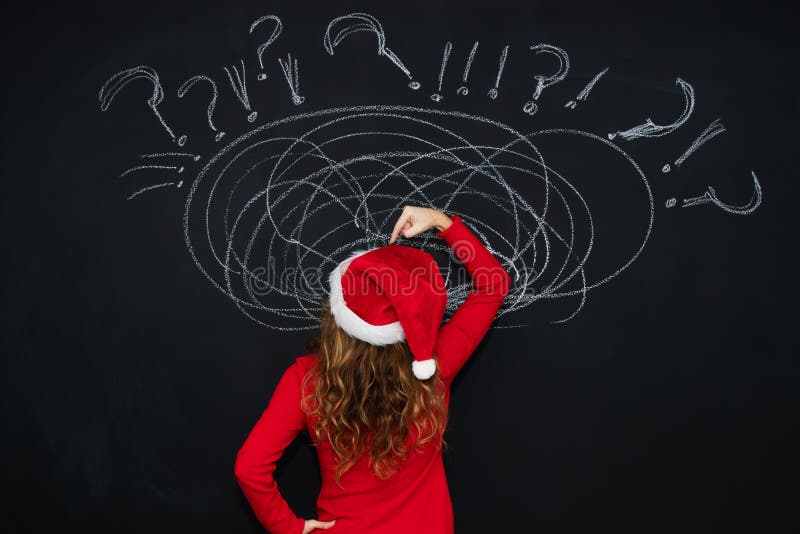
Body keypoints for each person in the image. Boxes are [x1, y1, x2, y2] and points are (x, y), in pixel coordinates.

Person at [234, 206, 512, 533]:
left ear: (339, 311)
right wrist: (442, 222)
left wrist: (289, 528)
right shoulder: (434, 367)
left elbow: (249, 468)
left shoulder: (305, 380)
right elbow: (493, 284)